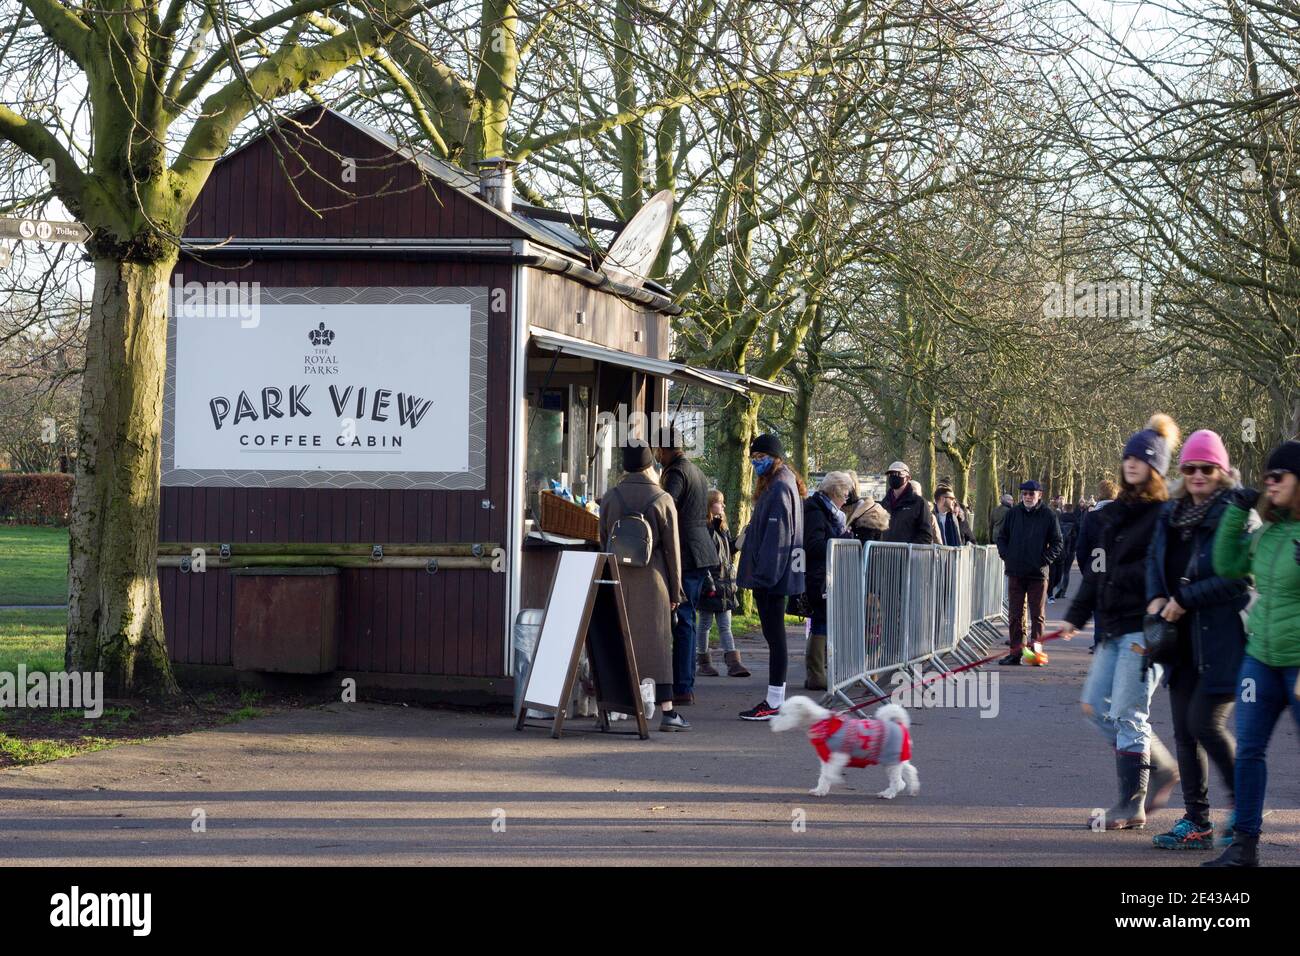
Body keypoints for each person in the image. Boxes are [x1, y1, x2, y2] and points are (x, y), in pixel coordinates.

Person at [1061, 414, 1182, 829]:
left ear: (1157, 467)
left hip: (1144, 630)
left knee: (1130, 713)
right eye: (1127, 456)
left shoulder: (1165, 515)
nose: (1131, 463)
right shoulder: (1111, 515)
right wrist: (1074, 619)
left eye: (1141, 458)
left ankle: (1131, 804)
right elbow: (1097, 572)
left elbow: (1165, 572)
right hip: (1110, 627)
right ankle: (1160, 766)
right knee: (1095, 707)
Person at [1146, 430, 1249, 851]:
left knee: (1205, 723)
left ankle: (1247, 805)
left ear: (1222, 471)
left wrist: (1184, 599)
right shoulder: (1171, 512)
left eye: (1207, 468)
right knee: (1185, 733)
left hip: (1222, 639)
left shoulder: (1235, 512)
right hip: (1179, 641)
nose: (1198, 475)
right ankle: (1197, 821)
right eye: (1189, 467)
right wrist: (1156, 596)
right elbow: (1156, 559)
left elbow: (1238, 580)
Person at [1203, 440, 1300, 867]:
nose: (1269, 483)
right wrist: (1239, 512)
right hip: (1260, 657)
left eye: (1279, 476)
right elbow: (1227, 565)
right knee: (1249, 750)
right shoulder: (1268, 532)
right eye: (1266, 477)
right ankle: (1244, 845)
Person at [599, 443, 689, 731]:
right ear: (650, 463)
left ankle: (617, 705)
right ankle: (668, 712)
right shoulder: (662, 498)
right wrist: (676, 593)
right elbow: (674, 552)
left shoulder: (611, 497)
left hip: (618, 578)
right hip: (655, 581)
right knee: (659, 646)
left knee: (621, 641)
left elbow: (603, 540)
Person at [737, 434, 805, 721]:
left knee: (775, 638)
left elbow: (776, 540)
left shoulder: (778, 489)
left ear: (774, 457)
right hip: (776, 575)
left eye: (759, 458)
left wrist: (762, 577)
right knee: (775, 637)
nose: (755, 463)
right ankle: (775, 699)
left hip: (771, 577)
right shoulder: (783, 483)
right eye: (753, 459)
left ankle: (774, 701)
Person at [655, 430, 717, 706]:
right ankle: (685, 683)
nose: (657, 456)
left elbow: (666, 508)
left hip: (687, 553)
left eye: (658, 450)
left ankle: (682, 686)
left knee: (683, 619)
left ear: (663, 449)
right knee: (687, 618)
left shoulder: (675, 473)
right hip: (701, 551)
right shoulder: (697, 471)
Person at [996, 479, 1063, 665]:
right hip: (1016, 571)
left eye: (1031, 494)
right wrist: (1006, 555)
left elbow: (1058, 542)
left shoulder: (1049, 515)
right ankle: (1016, 652)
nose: (1027, 497)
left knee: (1037, 615)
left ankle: (1036, 653)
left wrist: (1044, 560)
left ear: (1039, 495)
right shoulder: (1013, 514)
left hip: (1038, 574)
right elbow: (1002, 537)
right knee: (1015, 614)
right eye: (1024, 493)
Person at [802, 471, 854, 690]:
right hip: (818, 575)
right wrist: (841, 541)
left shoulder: (824, 511)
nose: (846, 500)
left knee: (824, 621)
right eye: (844, 495)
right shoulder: (816, 512)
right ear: (835, 493)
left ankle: (819, 671)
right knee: (821, 621)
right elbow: (814, 545)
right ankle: (816, 673)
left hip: (824, 573)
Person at [695, 489, 750, 678]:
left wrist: (742, 539)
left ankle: (733, 663)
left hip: (725, 583)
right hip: (711, 584)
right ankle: (704, 662)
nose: (723, 505)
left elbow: (727, 553)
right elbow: (705, 558)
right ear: (710, 505)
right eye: (720, 502)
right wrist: (709, 583)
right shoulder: (705, 528)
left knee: (723, 625)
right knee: (705, 624)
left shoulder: (721, 527)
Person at [1076, 479, 1119, 653]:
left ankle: (1099, 641)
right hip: (1116, 568)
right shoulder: (1122, 515)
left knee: (1098, 607)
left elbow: (1081, 548)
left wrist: (1085, 569)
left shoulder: (1091, 517)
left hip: (1096, 566)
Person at [881, 461, 936, 543]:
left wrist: (908, 550)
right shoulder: (884, 504)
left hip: (909, 554)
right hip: (885, 553)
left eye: (897, 474)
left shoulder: (919, 503)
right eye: (890, 474)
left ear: (908, 477)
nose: (893, 477)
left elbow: (926, 535)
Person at [842, 470, 890, 542]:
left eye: (849, 484)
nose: (845, 488)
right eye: (842, 485)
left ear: (855, 486)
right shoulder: (835, 509)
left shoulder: (867, 513)